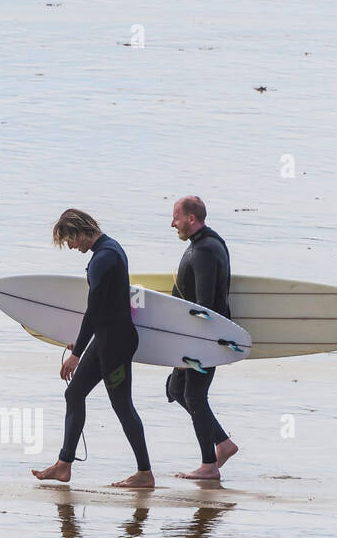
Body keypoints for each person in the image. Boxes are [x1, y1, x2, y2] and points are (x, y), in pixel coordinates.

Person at [31, 209, 154, 489]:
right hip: (108, 338)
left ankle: (145, 473)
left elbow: (95, 309)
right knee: (74, 393)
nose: (72, 247)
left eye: (70, 241)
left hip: (116, 344)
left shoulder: (103, 258)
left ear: (78, 231)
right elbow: (106, 308)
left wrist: (77, 353)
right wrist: (84, 341)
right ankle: (64, 465)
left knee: (122, 406)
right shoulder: (111, 249)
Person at [165, 195, 239, 480]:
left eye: (177, 217)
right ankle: (223, 443)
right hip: (196, 338)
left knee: (194, 395)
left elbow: (205, 308)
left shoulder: (205, 251)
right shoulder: (206, 243)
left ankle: (209, 465)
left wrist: (192, 349)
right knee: (176, 389)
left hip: (204, 339)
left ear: (191, 219)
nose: (173, 223)